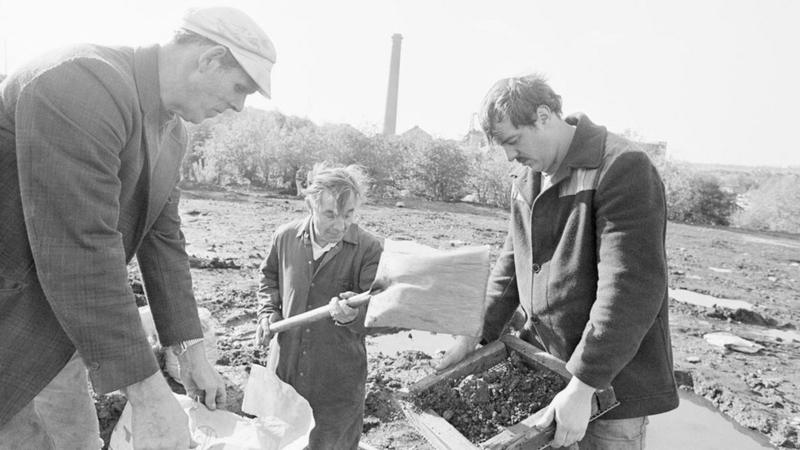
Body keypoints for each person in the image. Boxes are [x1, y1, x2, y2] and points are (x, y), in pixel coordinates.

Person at [0, 6, 276, 449]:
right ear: (210, 59)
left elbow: (164, 241)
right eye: (240, 87)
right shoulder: (82, 80)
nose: (238, 106)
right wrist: (148, 395)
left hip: (60, 322)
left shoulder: (172, 133)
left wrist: (190, 350)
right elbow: (80, 247)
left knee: (77, 441)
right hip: (12, 312)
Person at [437, 74, 679, 449]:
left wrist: (583, 385)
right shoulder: (527, 178)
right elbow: (511, 267)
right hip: (546, 371)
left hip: (610, 386)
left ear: (544, 115)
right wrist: (474, 335)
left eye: (513, 140)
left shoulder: (621, 167)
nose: (510, 156)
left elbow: (629, 290)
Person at [254, 163, 382, 450]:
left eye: (348, 215)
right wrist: (268, 311)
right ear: (310, 204)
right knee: (279, 442)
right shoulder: (285, 237)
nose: (340, 225)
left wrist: (353, 316)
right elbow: (269, 278)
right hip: (285, 372)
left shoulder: (369, 249)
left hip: (336, 384)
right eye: (330, 215)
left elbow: (380, 314)